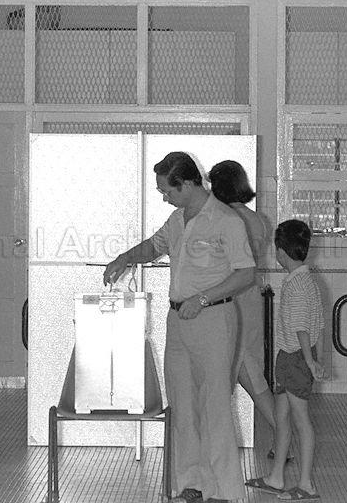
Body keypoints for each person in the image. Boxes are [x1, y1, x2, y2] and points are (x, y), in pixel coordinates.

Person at [103, 151, 255, 503]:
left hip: (214, 318)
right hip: (178, 322)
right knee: (182, 405)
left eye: (167, 190)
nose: (163, 196)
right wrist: (124, 258)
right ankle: (191, 484)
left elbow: (246, 274)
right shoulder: (177, 219)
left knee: (214, 404)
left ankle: (224, 490)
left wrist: (202, 299)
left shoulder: (226, 220)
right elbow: (153, 247)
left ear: (187, 183)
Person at [245, 219, 324, 502]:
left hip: (295, 359)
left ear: (280, 251)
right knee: (281, 416)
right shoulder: (304, 279)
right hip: (290, 357)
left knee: (301, 420)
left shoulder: (298, 285)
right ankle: (276, 477)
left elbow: (302, 327)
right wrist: (313, 357)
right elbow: (316, 326)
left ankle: (306, 484)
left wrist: (309, 361)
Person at [207, 160, 277, 440]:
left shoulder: (226, 220)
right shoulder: (258, 219)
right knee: (253, 377)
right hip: (251, 299)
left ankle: (288, 441)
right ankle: (286, 440)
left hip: (230, 299)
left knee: (231, 375)